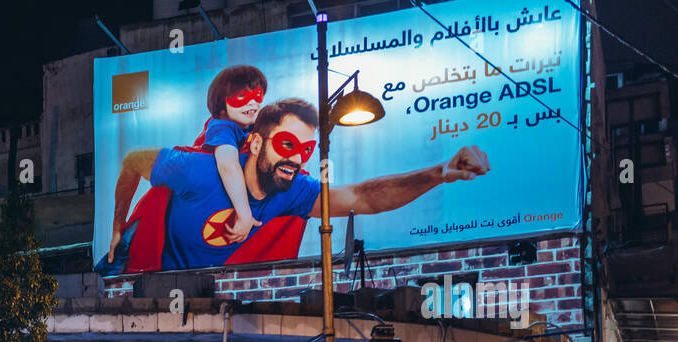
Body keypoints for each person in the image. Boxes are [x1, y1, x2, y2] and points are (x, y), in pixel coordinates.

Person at [103, 98, 490, 272]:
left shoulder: (295, 190)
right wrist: (119, 225)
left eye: (305, 149)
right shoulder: (198, 170)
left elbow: (364, 197)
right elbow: (132, 162)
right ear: (255, 143)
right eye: (287, 145)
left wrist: (439, 173)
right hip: (135, 285)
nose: (296, 158)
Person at [181, 65, 269, 245]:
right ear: (221, 104)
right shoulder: (222, 126)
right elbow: (227, 165)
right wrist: (244, 214)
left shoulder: (253, 127)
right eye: (242, 97)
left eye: (257, 95)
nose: (252, 103)